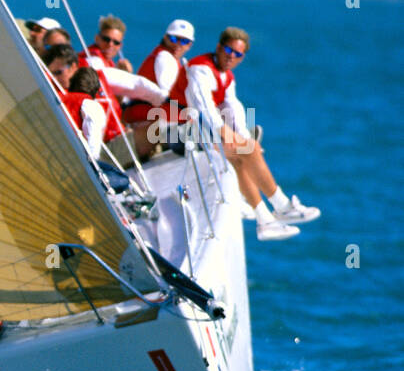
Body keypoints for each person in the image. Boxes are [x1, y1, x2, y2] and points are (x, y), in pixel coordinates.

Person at [174, 26, 320, 240]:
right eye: (228, 50)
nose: (231, 57)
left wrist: (243, 137)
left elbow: (234, 109)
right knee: (246, 150)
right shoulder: (201, 70)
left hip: (196, 133)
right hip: (175, 133)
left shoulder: (227, 77)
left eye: (238, 54)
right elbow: (205, 109)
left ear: (242, 57)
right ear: (218, 47)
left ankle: (266, 222)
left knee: (243, 156)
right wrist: (238, 140)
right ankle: (282, 206)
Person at [77, 16, 166, 166]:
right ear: (97, 38)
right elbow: (136, 85)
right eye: (106, 39)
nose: (110, 45)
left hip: (111, 135)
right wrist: (166, 102)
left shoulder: (107, 64)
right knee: (162, 127)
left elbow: (112, 101)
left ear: (120, 46)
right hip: (105, 145)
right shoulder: (94, 63)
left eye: (116, 42)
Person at [121, 18, 196, 159]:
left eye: (184, 41)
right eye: (174, 38)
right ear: (165, 38)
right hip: (146, 121)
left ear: (190, 45)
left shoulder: (163, 56)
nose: (178, 44)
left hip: (142, 117)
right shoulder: (165, 58)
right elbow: (168, 95)